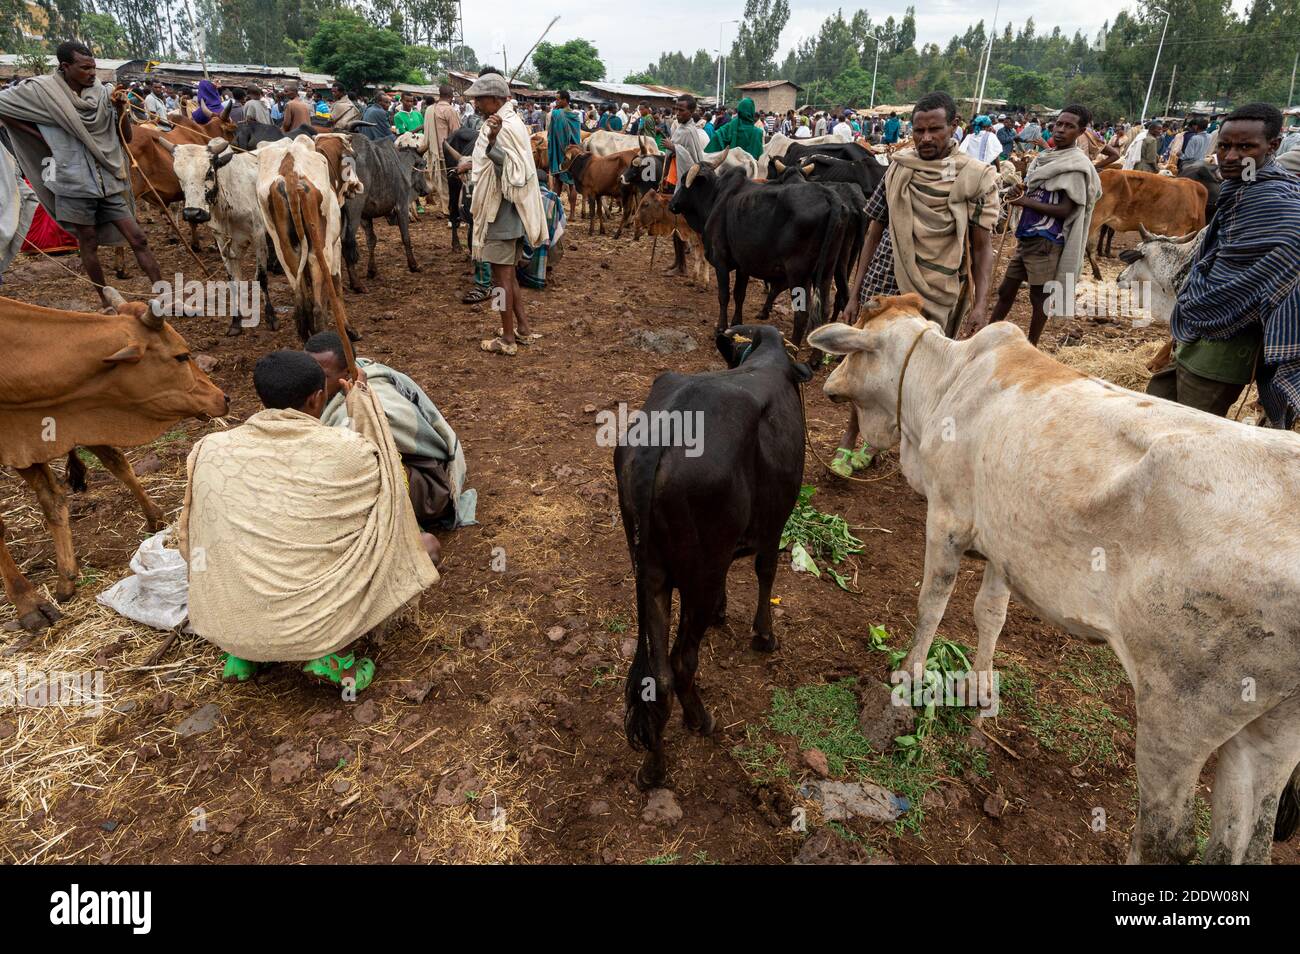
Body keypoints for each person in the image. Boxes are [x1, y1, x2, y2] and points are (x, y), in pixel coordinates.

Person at [180, 351, 438, 691]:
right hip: (313, 627)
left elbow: (191, 534)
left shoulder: (208, 450)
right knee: (425, 547)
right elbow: (390, 493)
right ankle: (333, 657)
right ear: (318, 398)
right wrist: (362, 404)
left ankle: (247, 655)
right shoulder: (350, 451)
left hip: (229, 626)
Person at [833, 92, 1001, 477]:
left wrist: (980, 304)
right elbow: (874, 229)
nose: (925, 138)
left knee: (921, 370)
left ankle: (892, 445)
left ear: (954, 126)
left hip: (938, 287)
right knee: (866, 359)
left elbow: (982, 248)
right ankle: (849, 437)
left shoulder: (974, 176)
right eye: (919, 130)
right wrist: (854, 292)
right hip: (886, 275)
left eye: (935, 129)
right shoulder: (898, 169)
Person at [1148, 103, 1300, 427]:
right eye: (1224, 146)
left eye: (1245, 147)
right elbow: (1217, 254)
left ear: (1273, 146)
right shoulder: (1239, 189)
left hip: (1230, 344)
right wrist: (1196, 300)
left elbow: (1283, 264)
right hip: (1195, 324)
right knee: (1154, 408)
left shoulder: (1279, 202)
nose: (1230, 156)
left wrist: (1211, 299)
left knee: (1187, 431)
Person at [0, 41, 162, 308]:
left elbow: (126, 137)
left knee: (138, 238)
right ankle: (105, 300)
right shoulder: (42, 93)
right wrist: (38, 137)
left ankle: (165, 296)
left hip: (107, 181)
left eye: (94, 67)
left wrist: (121, 109)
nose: (92, 73)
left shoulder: (104, 94)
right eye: (85, 68)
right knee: (88, 244)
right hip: (71, 183)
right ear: (65, 67)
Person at [305, 332, 474, 565]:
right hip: (381, 475)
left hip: (424, 486)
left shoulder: (373, 401)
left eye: (322, 376)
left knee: (361, 472)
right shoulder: (315, 394)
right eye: (309, 373)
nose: (312, 382)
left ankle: (395, 533)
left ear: (347, 373)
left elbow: (363, 454)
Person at [970, 103, 1102, 346]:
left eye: (1069, 126)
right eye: (1059, 124)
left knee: (1038, 296)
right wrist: (1021, 190)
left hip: (1047, 240)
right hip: (1027, 236)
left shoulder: (1075, 166)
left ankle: (1032, 344)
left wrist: (1025, 202)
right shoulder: (1045, 158)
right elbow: (1035, 192)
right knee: (1006, 291)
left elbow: (1065, 210)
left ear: (1081, 131)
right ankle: (986, 338)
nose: (1061, 130)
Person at [457, 72, 547, 356]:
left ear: (496, 99)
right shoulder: (511, 121)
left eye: (480, 99)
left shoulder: (502, 127)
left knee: (499, 281)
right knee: (508, 275)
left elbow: (512, 170)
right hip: (513, 214)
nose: (476, 104)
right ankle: (522, 329)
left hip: (500, 213)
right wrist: (474, 162)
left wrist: (493, 143)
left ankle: (506, 339)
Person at [423, 84, 461, 214]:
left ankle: (446, 208)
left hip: (432, 153)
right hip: (447, 153)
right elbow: (456, 134)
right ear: (451, 97)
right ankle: (451, 210)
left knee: (442, 183)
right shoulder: (450, 111)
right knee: (451, 183)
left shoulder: (429, 109)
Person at [546, 90, 581, 219]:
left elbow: (551, 135)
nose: (557, 102)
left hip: (559, 155)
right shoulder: (575, 116)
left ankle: (555, 213)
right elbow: (577, 138)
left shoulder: (555, 114)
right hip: (572, 154)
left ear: (565, 100)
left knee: (558, 183)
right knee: (571, 184)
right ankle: (571, 214)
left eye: (559, 99)